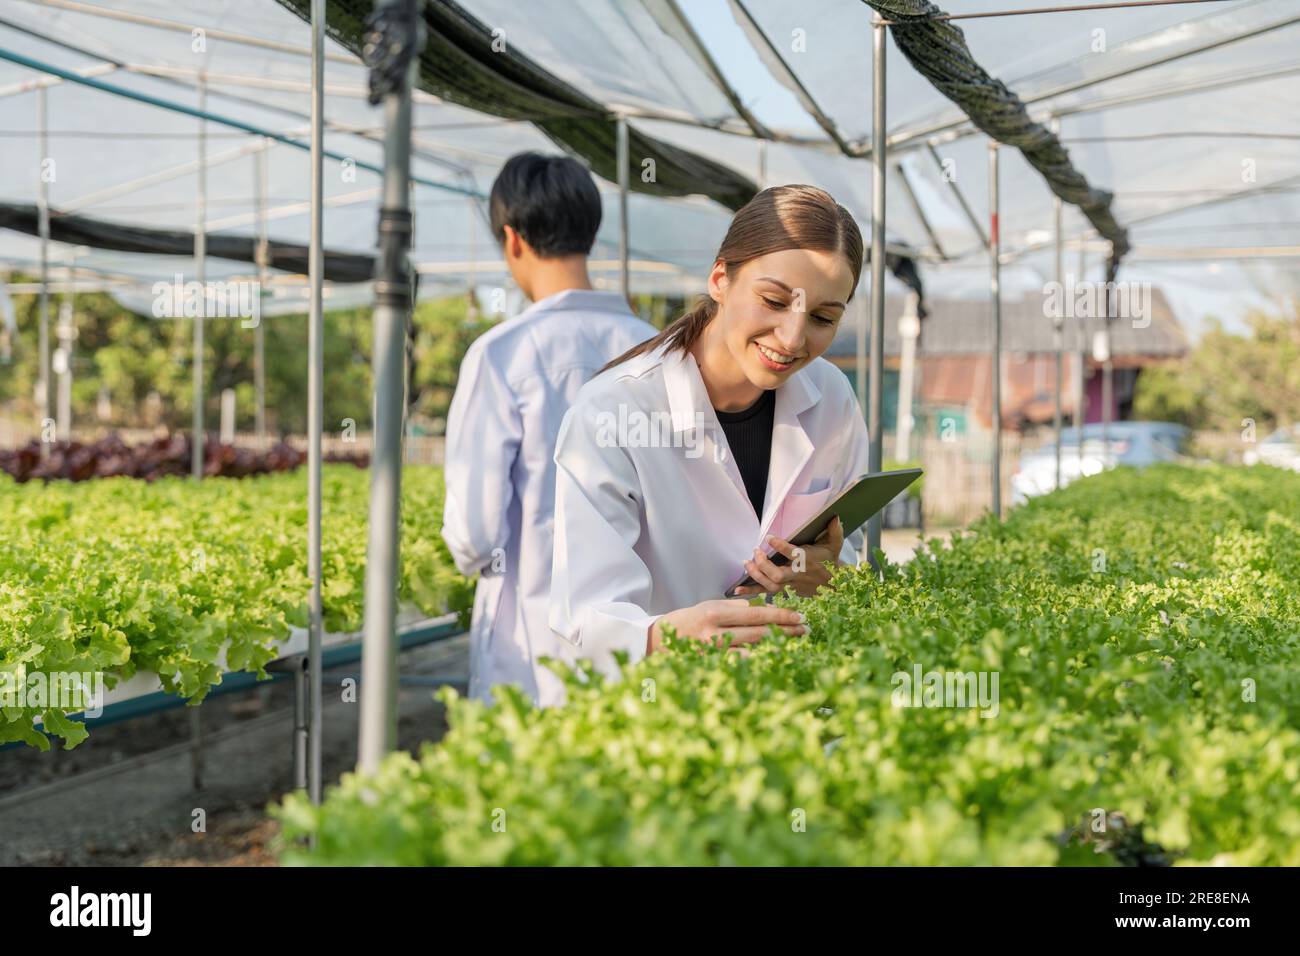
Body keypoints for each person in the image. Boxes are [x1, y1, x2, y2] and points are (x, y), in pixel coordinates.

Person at [549, 184, 870, 679]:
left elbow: (849, 564)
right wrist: (668, 637)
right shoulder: (613, 413)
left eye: (823, 317)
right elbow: (585, 616)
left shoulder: (832, 398)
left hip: (793, 700)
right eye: (773, 301)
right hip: (665, 704)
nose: (792, 339)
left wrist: (826, 577)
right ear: (720, 279)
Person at [442, 152, 657, 707]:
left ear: (512, 239)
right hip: (636, 640)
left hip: (529, 647)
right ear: (591, 232)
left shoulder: (501, 354)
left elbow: (475, 537)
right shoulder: (657, 352)